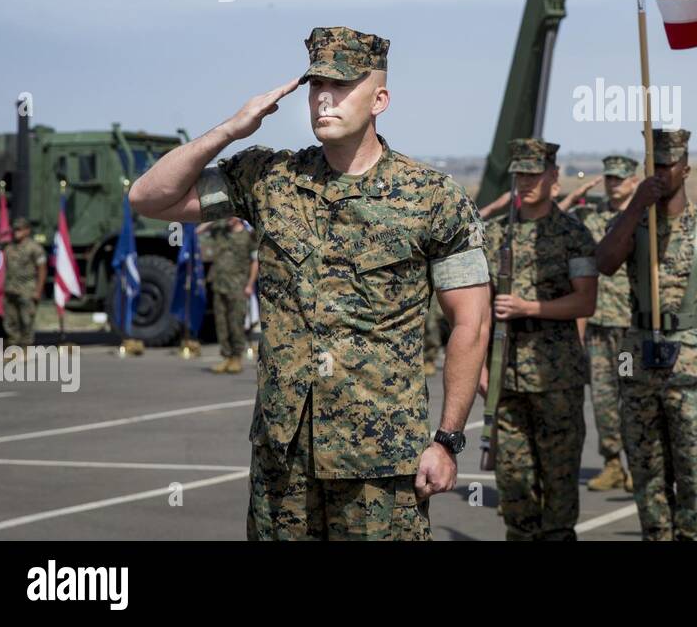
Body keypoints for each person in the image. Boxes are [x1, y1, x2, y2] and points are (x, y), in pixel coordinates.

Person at [128, 26, 491, 541]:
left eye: (341, 87)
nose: (324, 99)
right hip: (284, 458)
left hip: (380, 464)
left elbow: (471, 323)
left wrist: (448, 440)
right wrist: (230, 130)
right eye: (316, 86)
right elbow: (149, 198)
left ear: (380, 99)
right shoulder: (269, 179)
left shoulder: (431, 197)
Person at [596, 128, 697, 541]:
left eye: (669, 164)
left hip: (692, 363)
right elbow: (606, 263)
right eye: (654, 165)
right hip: (640, 362)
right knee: (647, 476)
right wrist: (635, 207)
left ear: (686, 168)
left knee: (695, 473)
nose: (661, 172)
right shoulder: (630, 223)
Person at [481, 138, 597, 540]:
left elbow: (586, 302)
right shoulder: (494, 235)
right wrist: (479, 367)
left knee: (559, 483)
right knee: (512, 483)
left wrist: (527, 309)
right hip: (506, 373)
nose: (526, 182)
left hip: (556, 374)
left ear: (553, 177)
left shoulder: (573, 234)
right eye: (520, 174)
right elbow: (476, 306)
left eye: (534, 174)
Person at [574, 154, 639, 493]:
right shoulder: (593, 220)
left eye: (620, 178)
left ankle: (637, 463)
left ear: (633, 181)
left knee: (632, 399)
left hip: (630, 328)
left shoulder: (642, 219)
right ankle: (612, 462)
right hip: (600, 325)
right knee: (602, 400)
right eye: (610, 178)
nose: (614, 184)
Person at [197, 217, 258, 374]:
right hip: (219, 283)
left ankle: (237, 357)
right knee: (221, 323)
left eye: (231, 216)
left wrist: (250, 284)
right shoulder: (220, 230)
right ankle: (226, 357)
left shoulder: (248, 235)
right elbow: (198, 231)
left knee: (236, 323)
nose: (228, 219)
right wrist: (216, 218)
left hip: (238, 285)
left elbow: (255, 262)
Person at [0, 217, 46, 348]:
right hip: (10, 289)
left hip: (27, 289)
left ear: (27, 230)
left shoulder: (34, 248)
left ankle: (26, 348)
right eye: (15, 229)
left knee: (27, 321)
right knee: (10, 322)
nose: (16, 232)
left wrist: (38, 291)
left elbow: (42, 270)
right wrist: (1, 234)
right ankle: (13, 348)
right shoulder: (9, 246)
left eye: (19, 229)